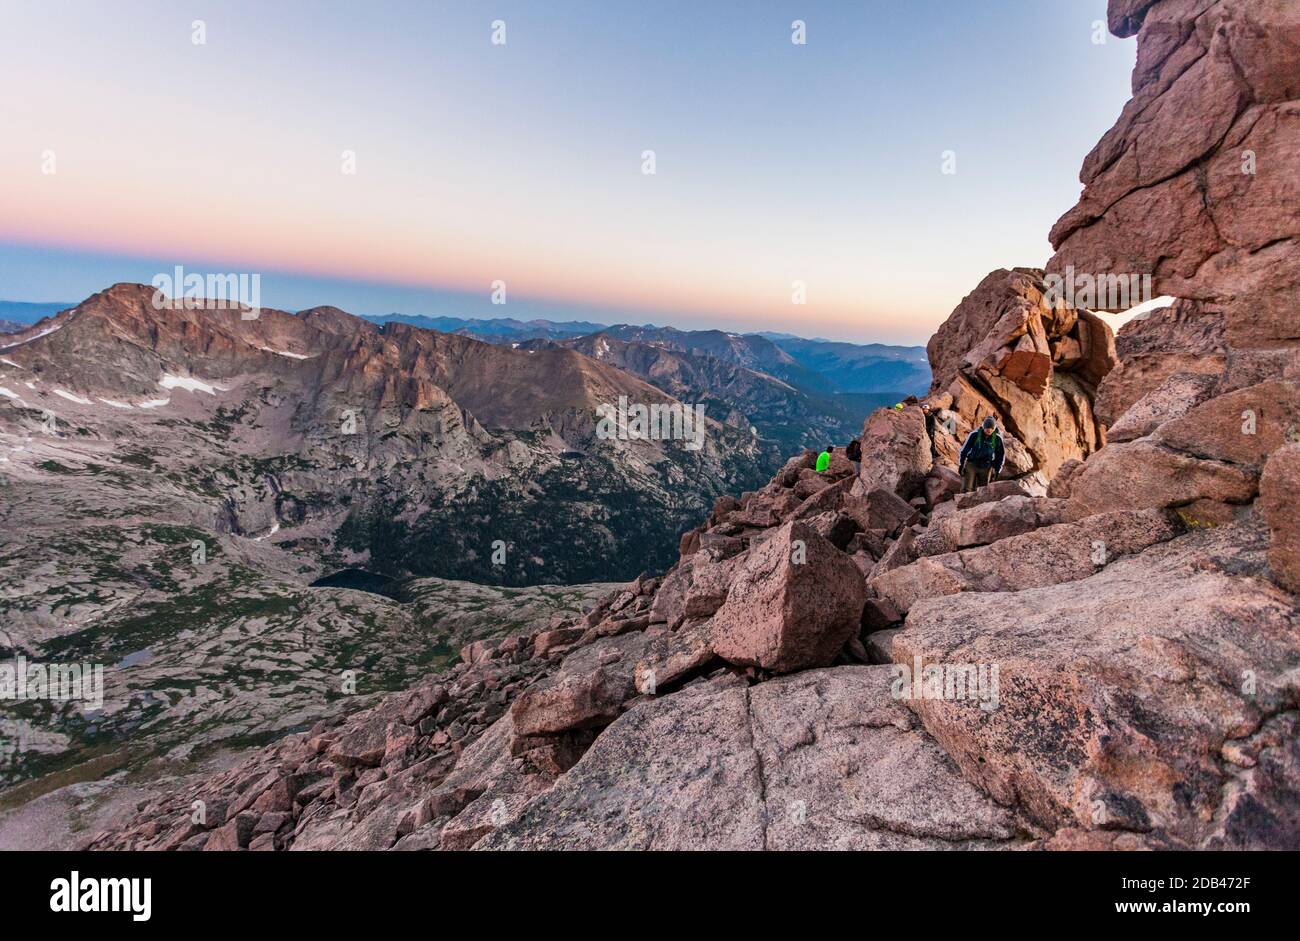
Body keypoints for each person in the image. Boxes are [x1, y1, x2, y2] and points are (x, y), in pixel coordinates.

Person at [959, 417, 1004, 492]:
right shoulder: (974, 435)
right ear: (983, 427)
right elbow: (964, 450)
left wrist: (997, 470)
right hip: (972, 464)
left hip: (986, 466)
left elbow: (1000, 455)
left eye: (991, 429)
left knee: (983, 490)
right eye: (987, 428)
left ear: (994, 429)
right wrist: (961, 464)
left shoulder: (997, 439)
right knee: (967, 488)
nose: (989, 430)